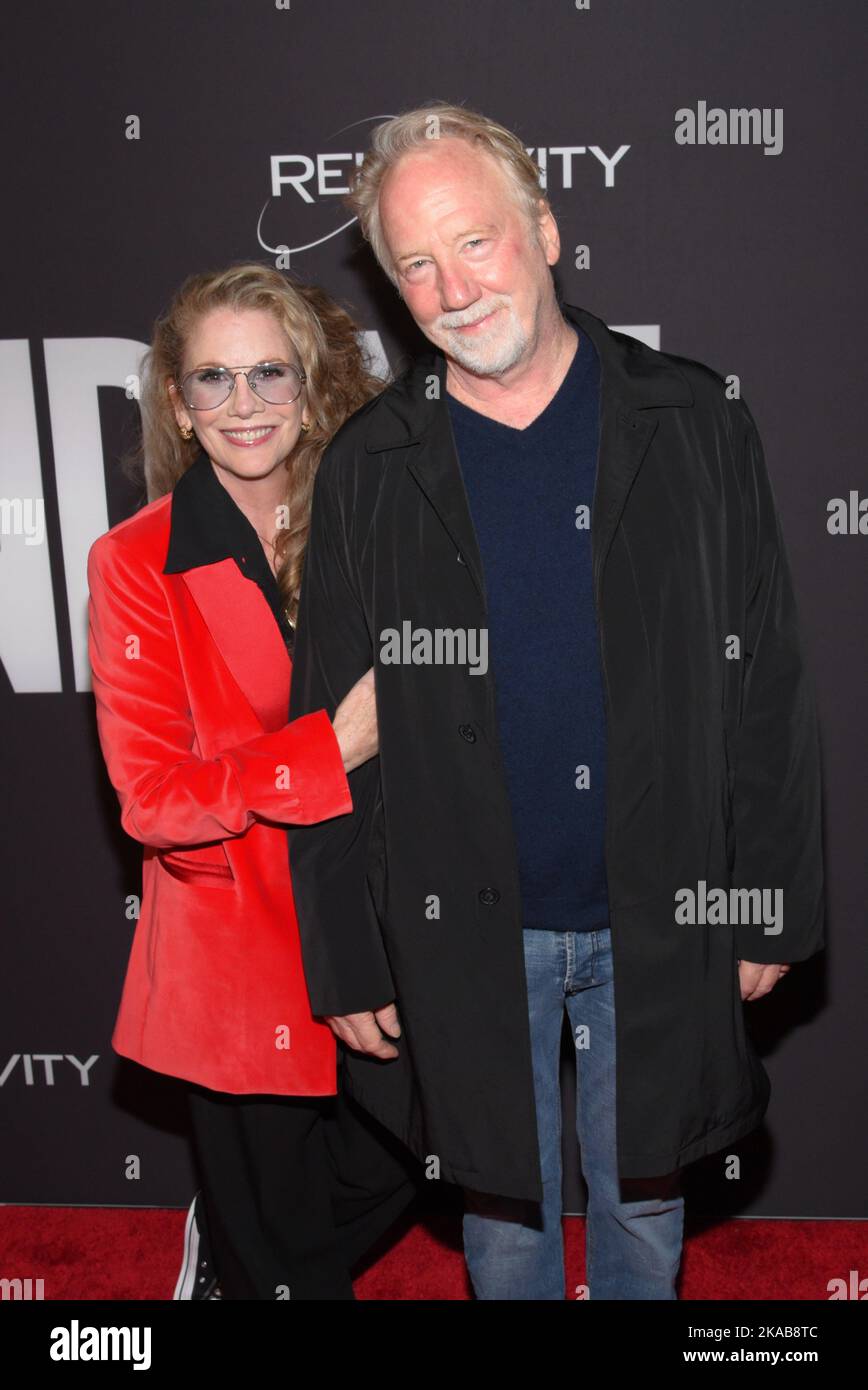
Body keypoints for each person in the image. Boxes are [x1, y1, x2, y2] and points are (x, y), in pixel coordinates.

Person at [286, 103, 824, 1300]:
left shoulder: (693, 417)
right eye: (414, 264)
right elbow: (328, 727)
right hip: (462, 929)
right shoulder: (371, 466)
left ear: (544, 227)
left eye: (474, 242)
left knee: (645, 1202)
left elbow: (765, 676)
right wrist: (343, 952)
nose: (452, 287)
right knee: (503, 1217)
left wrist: (765, 899)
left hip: (664, 906)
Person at [87, 263, 419, 1300]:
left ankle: (235, 1246)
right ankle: (243, 1252)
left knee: (417, 1148)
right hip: (240, 953)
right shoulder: (135, 562)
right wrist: (334, 745)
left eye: (270, 374)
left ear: (313, 387)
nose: (244, 406)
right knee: (289, 1270)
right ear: (180, 409)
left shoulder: (376, 527)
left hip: (380, 920)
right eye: (215, 380)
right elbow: (154, 800)